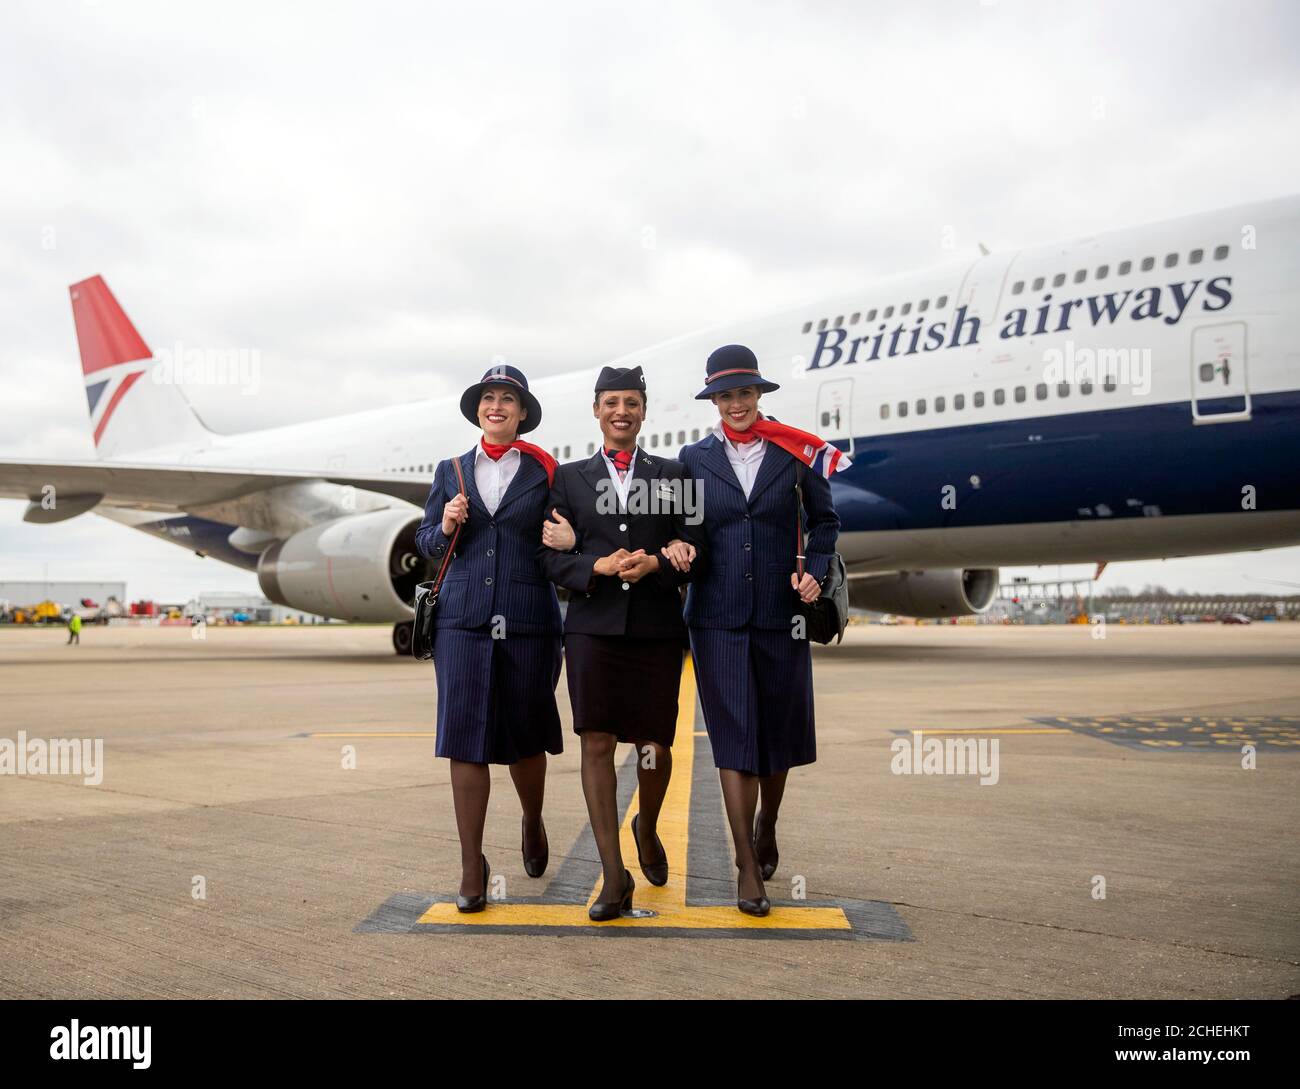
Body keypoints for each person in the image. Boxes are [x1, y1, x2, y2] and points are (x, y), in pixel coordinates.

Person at [676, 344, 850, 916]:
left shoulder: (795, 453)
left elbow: (824, 522)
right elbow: (689, 529)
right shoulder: (693, 459)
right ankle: (747, 866)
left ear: (759, 395)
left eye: (744, 393)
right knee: (735, 739)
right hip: (716, 616)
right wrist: (678, 547)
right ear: (714, 401)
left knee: (778, 735)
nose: (735, 404)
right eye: (724, 396)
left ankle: (767, 823)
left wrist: (815, 571)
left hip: (782, 613)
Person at [537, 365, 702, 921]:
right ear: (596, 410)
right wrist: (595, 564)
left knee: (655, 746)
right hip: (592, 628)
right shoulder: (568, 478)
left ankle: (647, 827)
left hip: (656, 627)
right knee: (597, 743)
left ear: (644, 410)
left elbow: (699, 543)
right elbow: (550, 557)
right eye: (611, 402)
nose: (621, 412)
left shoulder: (675, 474)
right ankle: (613, 875)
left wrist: (665, 556)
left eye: (631, 402)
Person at [414, 364, 562, 913]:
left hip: (529, 619)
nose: (496, 405)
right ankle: (471, 865)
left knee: (526, 732)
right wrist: (447, 524)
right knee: (464, 737)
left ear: (522, 413)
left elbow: (560, 544)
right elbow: (429, 543)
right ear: (478, 409)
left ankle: (532, 817)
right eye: (488, 398)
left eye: (508, 399)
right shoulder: (450, 470)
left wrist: (569, 540)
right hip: (463, 620)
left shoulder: (546, 473)